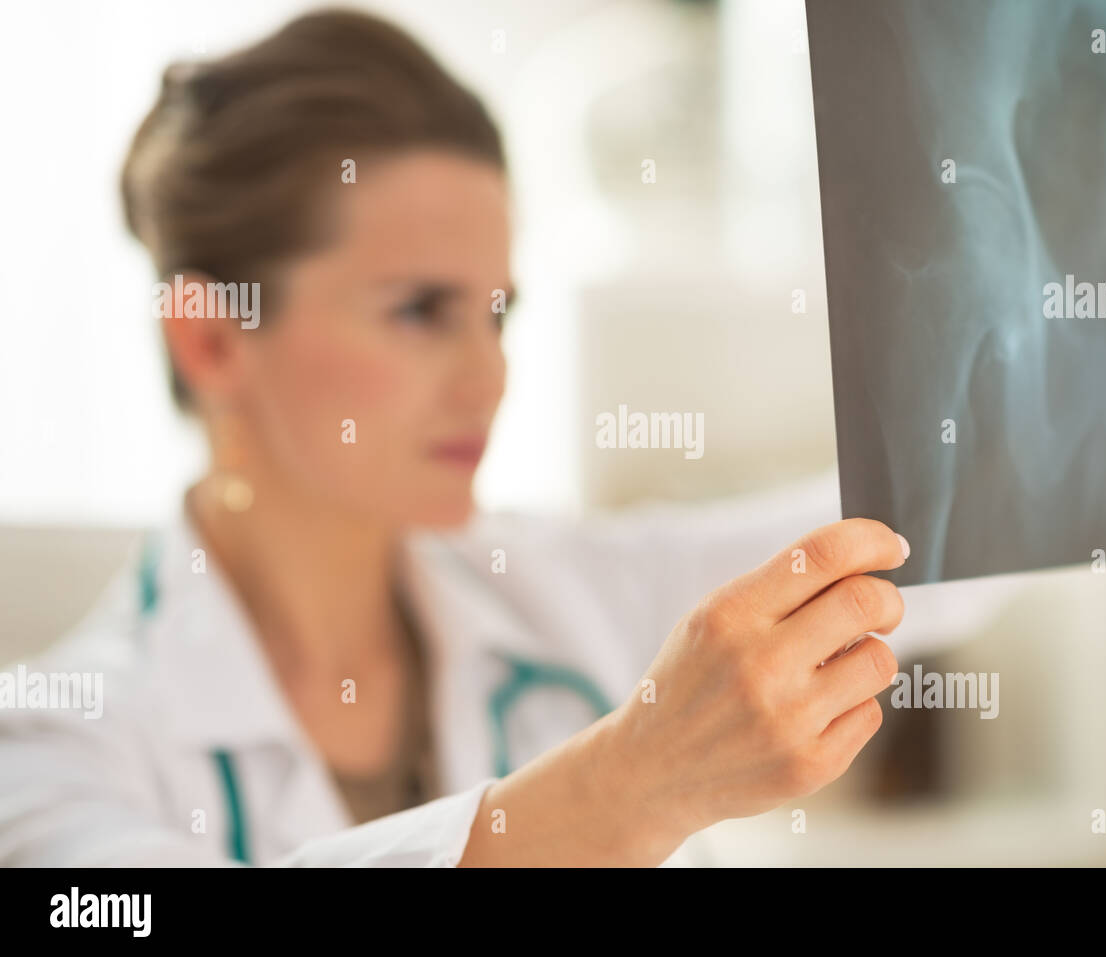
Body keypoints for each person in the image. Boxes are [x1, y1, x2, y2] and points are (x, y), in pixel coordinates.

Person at [0, 9, 915, 867]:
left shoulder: (546, 586)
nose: (490, 378)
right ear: (209, 336)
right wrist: (634, 782)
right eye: (420, 310)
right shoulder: (55, 741)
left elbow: (900, 533)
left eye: (497, 315)